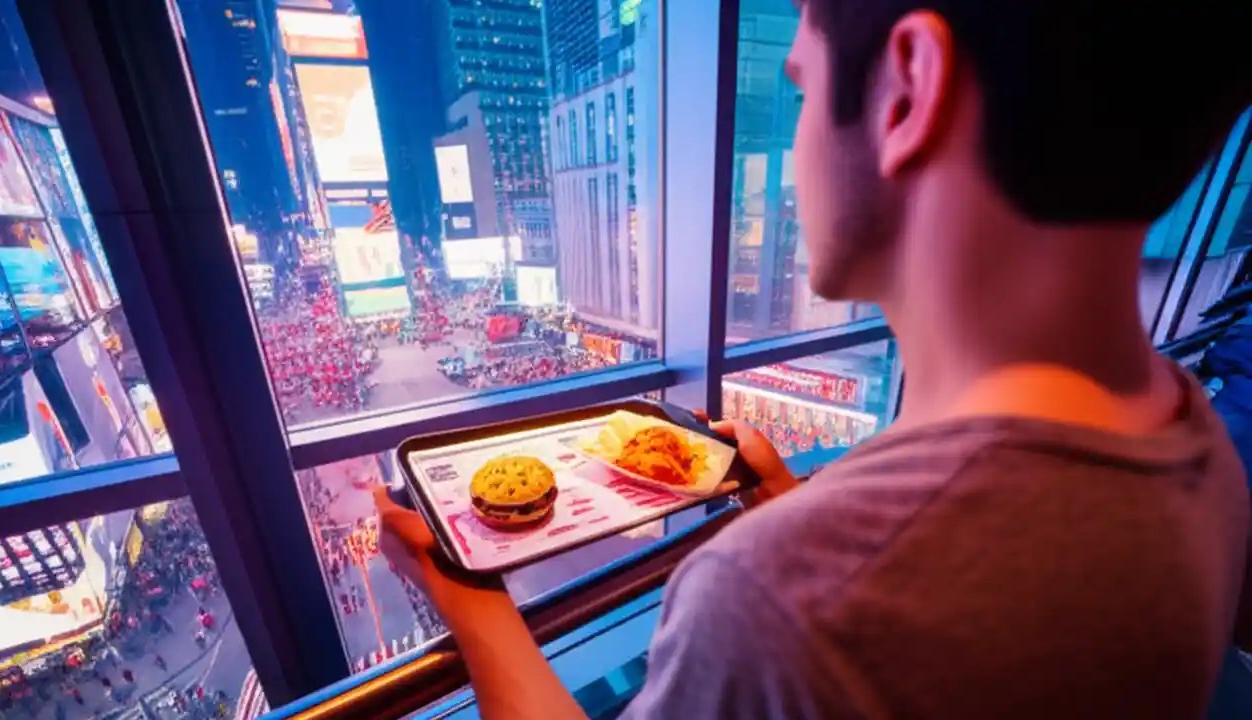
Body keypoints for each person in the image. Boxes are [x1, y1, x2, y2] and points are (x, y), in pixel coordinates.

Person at [375, 0, 1252, 717]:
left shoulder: (776, 601)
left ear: (907, 92)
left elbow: (848, 612)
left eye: (800, 91)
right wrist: (792, 504)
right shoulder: (1203, 452)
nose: (793, 157)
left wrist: (466, 590)